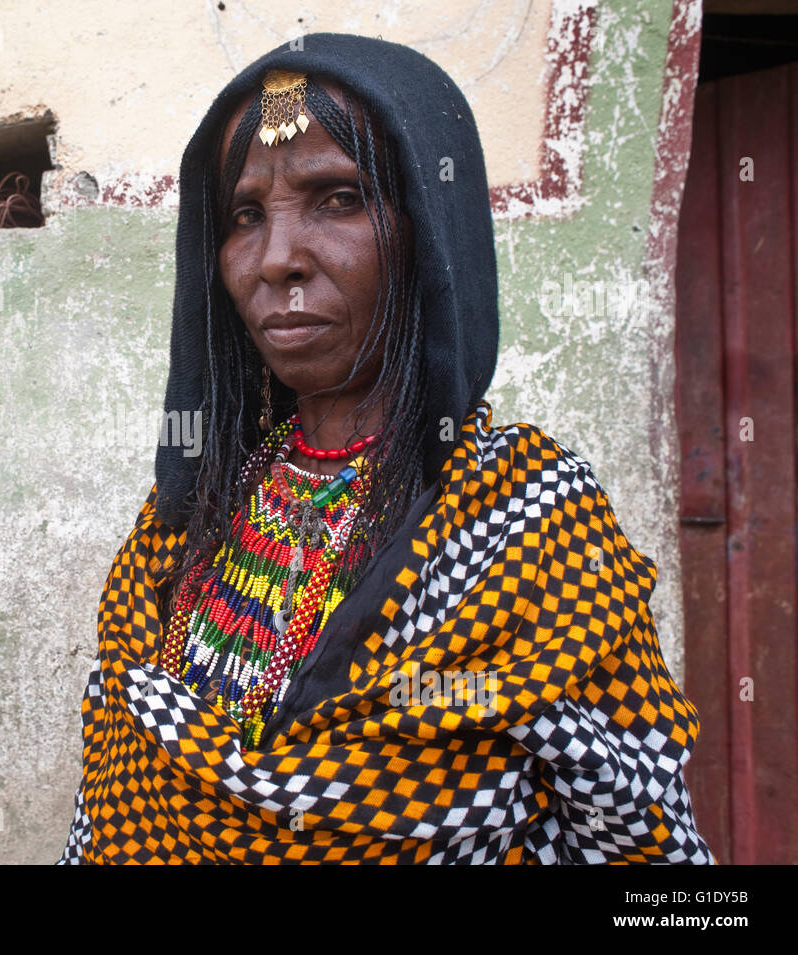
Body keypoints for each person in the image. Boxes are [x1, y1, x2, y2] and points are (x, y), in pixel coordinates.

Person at [58, 33, 714, 864]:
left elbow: (645, 839)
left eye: (336, 199)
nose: (278, 258)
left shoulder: (528, 518)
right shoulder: (185, 521)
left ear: (430, 231)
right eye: (244, 216)